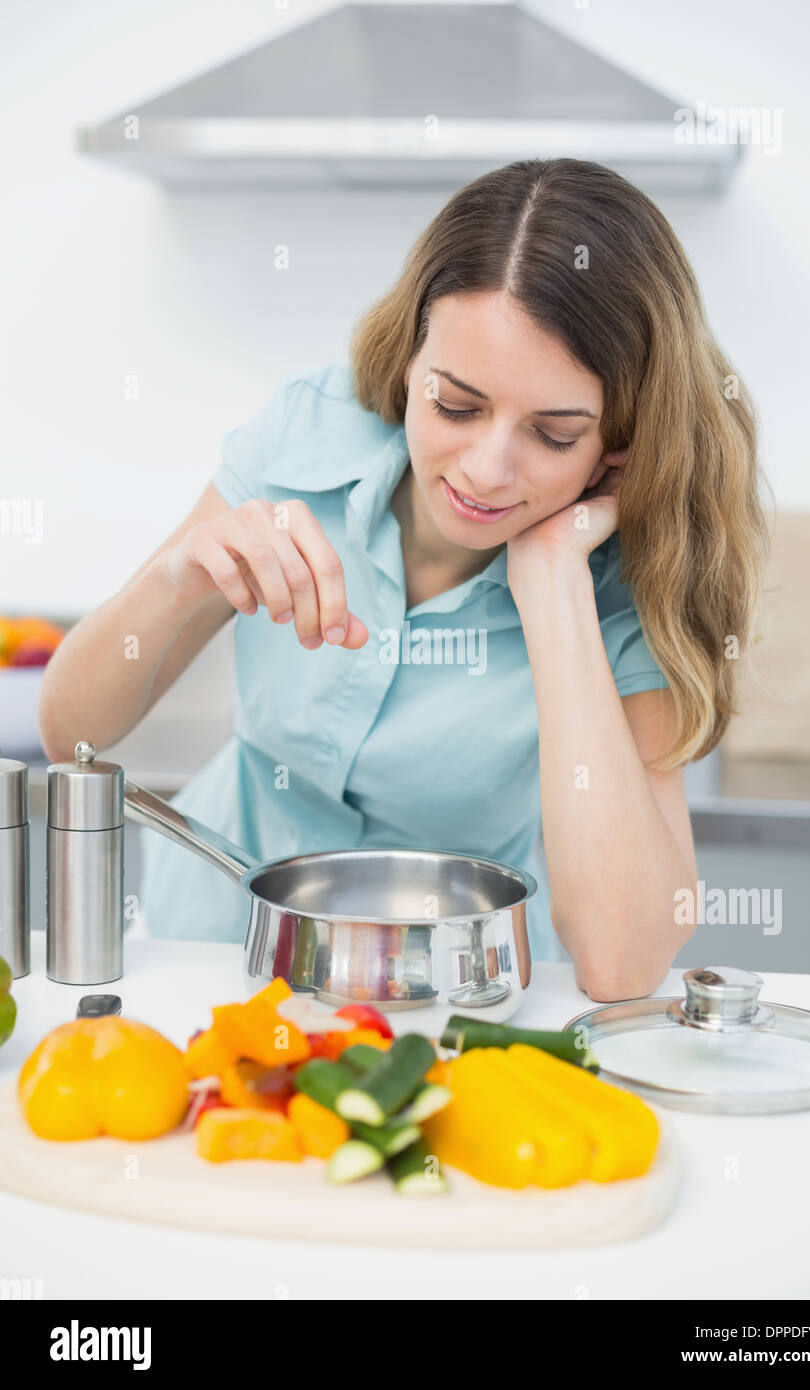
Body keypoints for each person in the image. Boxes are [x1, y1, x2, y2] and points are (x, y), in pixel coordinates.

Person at [38, 159, 769, 1000]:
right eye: (456, 405)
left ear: (621, 441)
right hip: (204, 956)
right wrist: (173, 580)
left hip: (450, 998)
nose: (488, 469)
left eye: (554, 434)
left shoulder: (629, 582)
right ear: (412, 354)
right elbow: (71, 734)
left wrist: (554, 580)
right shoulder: (309, 429)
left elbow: (623, 960)